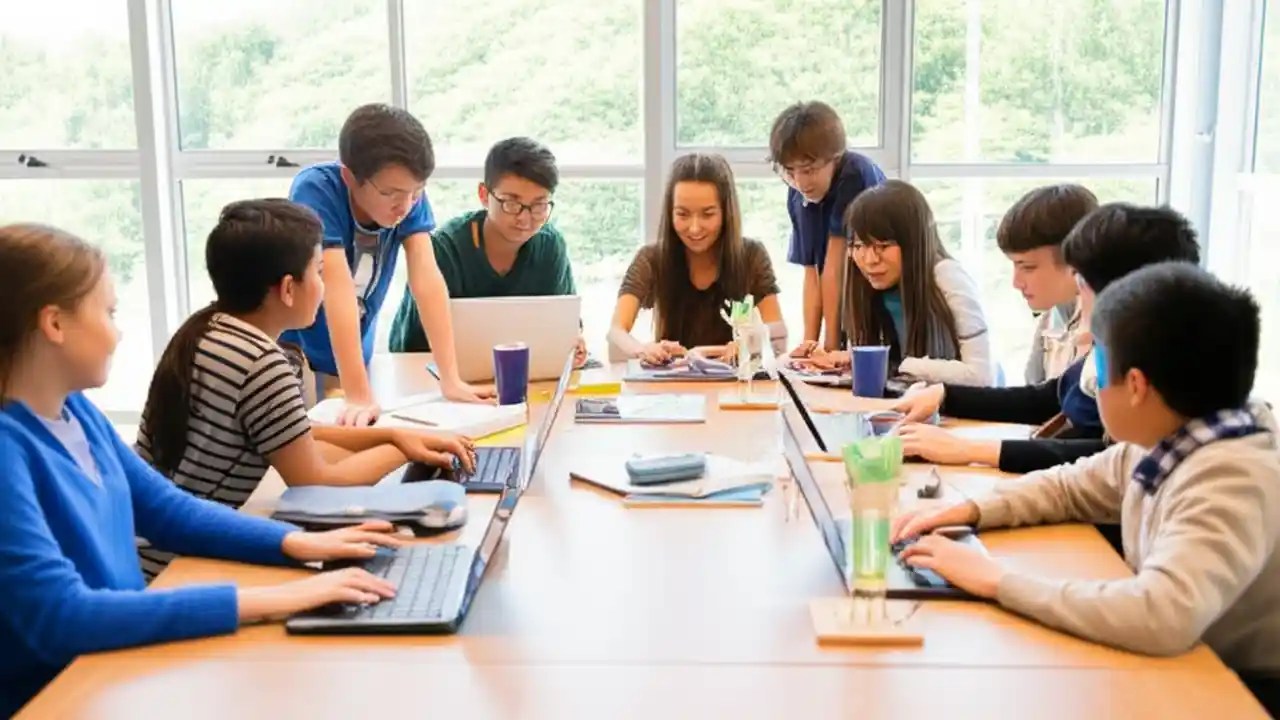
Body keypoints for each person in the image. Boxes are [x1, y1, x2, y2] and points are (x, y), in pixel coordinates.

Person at [0, 223, 406, 717]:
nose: (118, 331)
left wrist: (296, 544)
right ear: (54, 325)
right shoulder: (8, 450)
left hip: (114, 670)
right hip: (59, 698)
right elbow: (63, 617)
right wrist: (278, 598)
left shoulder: (74, 411)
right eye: (108, 312)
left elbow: (167, 511)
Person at [891, 262, 1280, 716]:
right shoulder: (1169, 439)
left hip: (1242, 691)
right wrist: (969, 510)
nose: (1089, 379)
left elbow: (1161, 615)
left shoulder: (1232, 477)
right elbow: (1068, 487)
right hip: (1191, 663)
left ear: (1135, 386)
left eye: (1097, 361)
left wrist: (996, 580)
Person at [135, 199, 475, 579]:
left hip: (149, 550)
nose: (324, 285)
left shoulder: (208, 330)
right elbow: (317, 484)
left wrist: (396, 435)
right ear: (287, 289)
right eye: (318, 271)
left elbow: (296, 434)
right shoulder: (261, 362)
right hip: (174, 568)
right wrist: (401, 450)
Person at [891, 204, 1202, 473]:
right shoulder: (1112, 345)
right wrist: (946, 396)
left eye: (1082, 283)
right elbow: (1055, 396)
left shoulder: (1154, 366)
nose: (1080, 294)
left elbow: (1113, 458)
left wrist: (970, 450)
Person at [282, 103, 493, 427]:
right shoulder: (317, 189)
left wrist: (451, 379)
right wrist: (357, 393)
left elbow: (427, 280)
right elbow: (337, 288)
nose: (405, 206)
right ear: (350, 177)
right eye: (390, 193)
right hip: (296, 356)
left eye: (417, 192)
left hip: (353, 357)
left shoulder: (407, 197)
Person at [388, 137, 586, 366]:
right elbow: (412, 347)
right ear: (484, 195)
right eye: (511, 203)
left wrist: (574, 342)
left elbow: (564, 323)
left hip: (531, 372)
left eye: (539, 206)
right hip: (435, 373)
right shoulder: (445, 249)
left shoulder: (550, 246)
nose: (524, 218)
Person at [797, 180, 994, 386]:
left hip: (957, 403)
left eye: (883, 246)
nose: (869, 260)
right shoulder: (864, 285)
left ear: (914, 242)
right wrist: (845, 361)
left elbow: (980, 376)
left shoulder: (948, 277)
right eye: (859, 246)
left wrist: (897, 366)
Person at [608, 152, 786, 363]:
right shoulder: (651, 259)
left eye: (708, 214)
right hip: (672, 377)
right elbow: (617, 331)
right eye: (682, 214)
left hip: (733, 378)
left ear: (726, 212)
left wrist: (749, 343)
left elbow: (778, 332)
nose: (694, 228)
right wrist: (642, 350)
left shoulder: (751, 255)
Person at [770, 101, 886, 357]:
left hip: (875, 291)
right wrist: (809, 345)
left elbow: (835, 266)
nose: (800, 182)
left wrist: (830, 347)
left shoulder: (855, 175)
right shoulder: (797, 192)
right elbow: (812, 271)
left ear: (835, 157)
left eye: (809, 170)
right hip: (844, 290)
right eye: (789, 171)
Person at [998, 184, 1098, 384]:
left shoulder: (1112, 331)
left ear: (1075, 261)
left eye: (1028, 267)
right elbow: (1033, 394)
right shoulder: (1050, 318)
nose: (1016, 283)